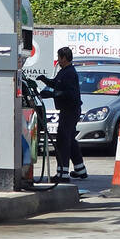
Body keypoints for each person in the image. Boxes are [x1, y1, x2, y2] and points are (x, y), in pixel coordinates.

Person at [38, 47, 88, 182]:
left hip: (70, 110)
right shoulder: (64, 72)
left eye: (59, 57)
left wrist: (52, 94)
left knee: (63, 141)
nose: (58, 60)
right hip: (69, 110)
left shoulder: (69, 73)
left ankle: (63, 174)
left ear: (64, 58)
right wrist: (45, 80)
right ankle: (80, 169)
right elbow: (56, 83)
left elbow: (69, 93)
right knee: (70, 139)